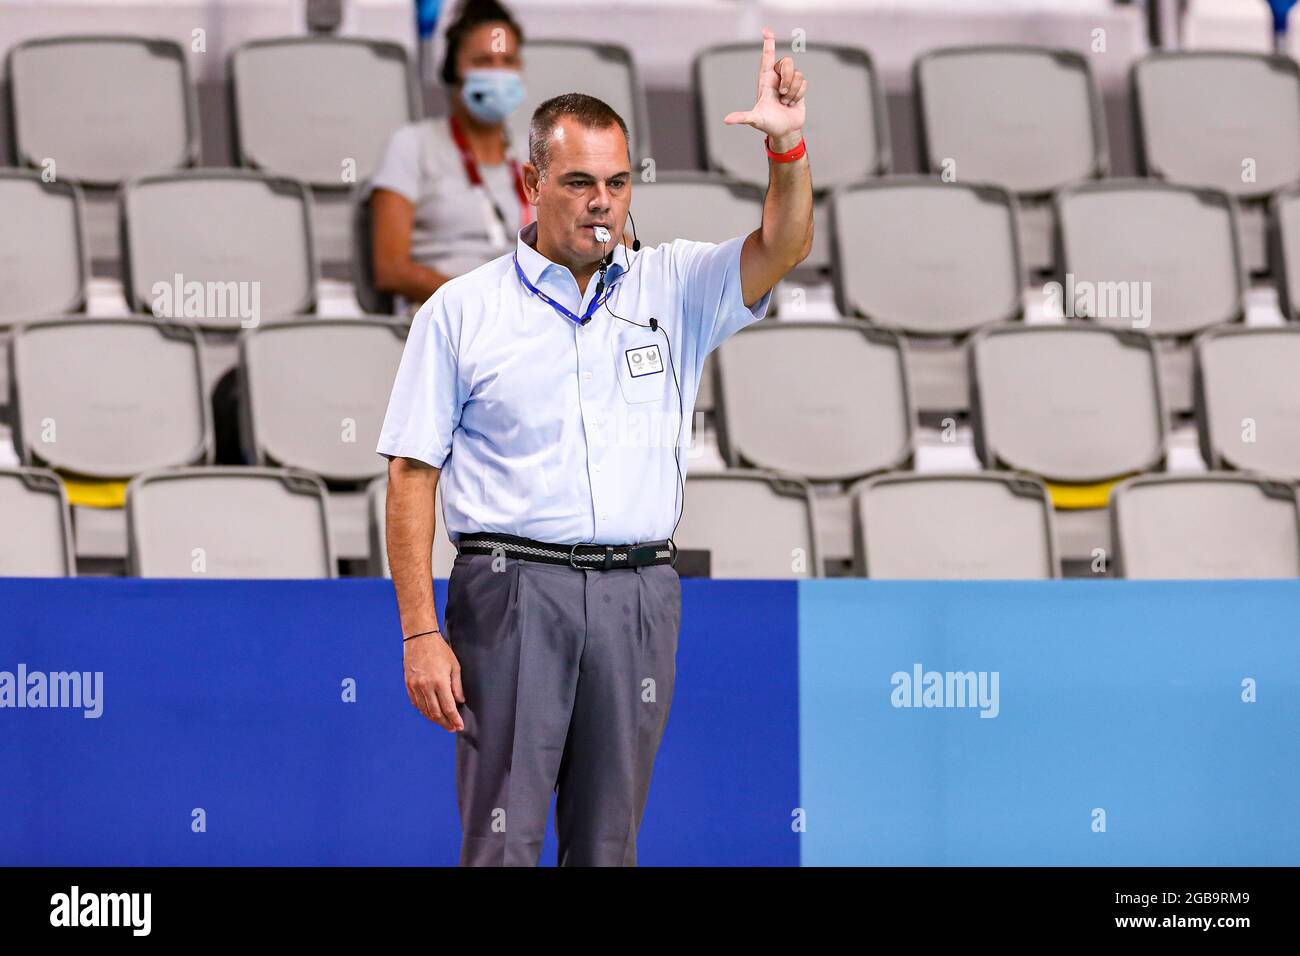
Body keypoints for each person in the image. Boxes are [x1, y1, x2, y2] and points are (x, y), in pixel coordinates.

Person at [378, 28, 811, 866]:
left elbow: (784, 244)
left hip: (641, 594)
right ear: (532, 182)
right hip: (509, 590)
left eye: (617, 182)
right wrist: (418, 633)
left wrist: (787, 145)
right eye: (579, 182)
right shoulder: (462, 311)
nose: (603, 202)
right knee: (501, 843)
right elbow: (409, 474)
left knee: (610, 847)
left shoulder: (675, 286)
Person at [368, 0, 532, 313]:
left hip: (529, 323)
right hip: (447, 322)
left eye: (507, 60)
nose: (498, 73)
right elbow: (390, 268)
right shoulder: (411, 146)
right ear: (452, 71)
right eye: (484, 61)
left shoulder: (536, 153)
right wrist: (478, 303)